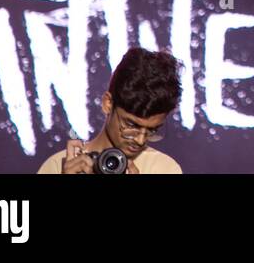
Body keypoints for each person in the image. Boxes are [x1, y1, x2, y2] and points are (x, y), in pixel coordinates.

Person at [37, 47, 184, 174]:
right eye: (131, 125)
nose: (140, 140)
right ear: (108, 103)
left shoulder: (164, 169)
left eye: (152, 130)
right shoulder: (59, 166)